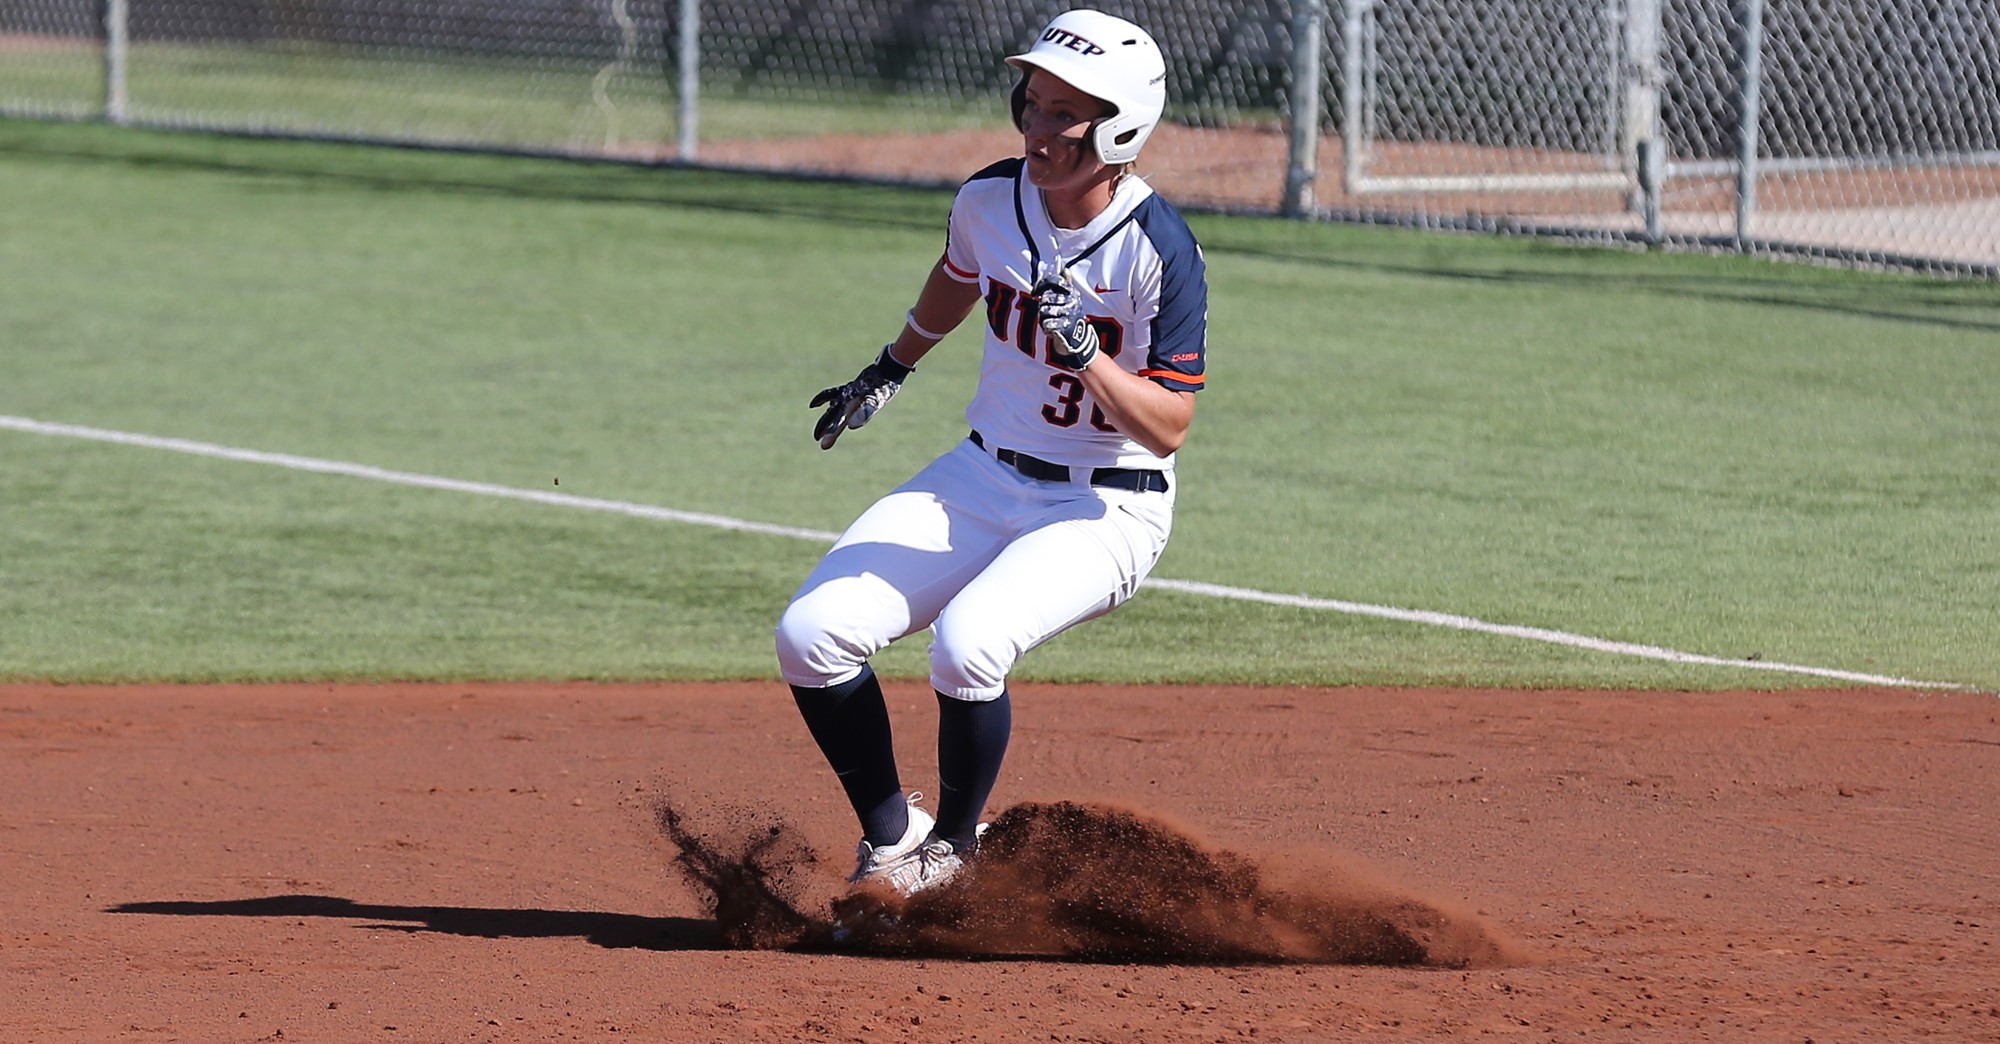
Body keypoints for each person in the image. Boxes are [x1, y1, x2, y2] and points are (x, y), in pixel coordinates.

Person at [774, 8, 1208, 898]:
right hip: (985, 472)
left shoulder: (1157, 248)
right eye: (1032, 102)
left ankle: (957, 856)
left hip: (1108, 504)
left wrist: (1089, 357)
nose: (1036, 128)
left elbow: (1168, 427)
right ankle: (897, 839)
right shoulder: (989, 198)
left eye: (1064, 114)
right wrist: (888, 369)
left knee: (968, 646)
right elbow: (959, 273)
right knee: (810, 636)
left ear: (1120, 126)